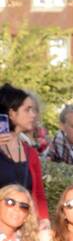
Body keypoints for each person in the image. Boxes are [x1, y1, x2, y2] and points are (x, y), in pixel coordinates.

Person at [0, 84, 49, 222]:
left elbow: (39, 196)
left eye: (33, 110)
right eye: (27, 110)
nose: (33, 115)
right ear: (12, 113)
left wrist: (44, 223)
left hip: (23, 230)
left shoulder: (31, 153)